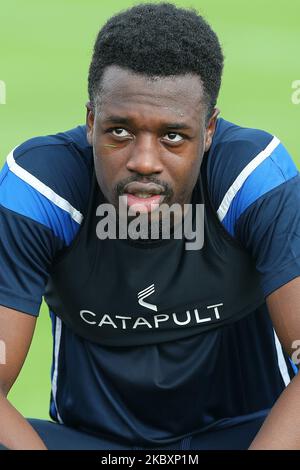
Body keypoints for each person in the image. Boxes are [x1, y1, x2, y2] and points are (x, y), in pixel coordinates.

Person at [0, 2, 300, 451]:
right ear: (90, 122)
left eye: (173, 137)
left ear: (211, 129)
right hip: (92, 445)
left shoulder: (252, 174)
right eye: (119, 131)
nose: (143, 161)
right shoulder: (40, 185)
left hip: (248, 435)